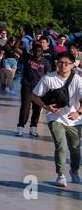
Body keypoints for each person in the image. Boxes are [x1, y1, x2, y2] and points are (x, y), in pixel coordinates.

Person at [30, 51, 82, 187]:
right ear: (56, 63)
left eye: (66, 63)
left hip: (74, 118)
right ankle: (61, 174)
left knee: (75, 148)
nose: (63, 65)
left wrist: (78, 112)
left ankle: (74, 171)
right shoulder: (48, 78)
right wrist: (46, 108)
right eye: (60, 62)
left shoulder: (78, 80)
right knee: (61, 145)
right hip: (55, 117)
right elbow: (34, 96)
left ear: (72, 65)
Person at [18, 38, 51, 137]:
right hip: (27, 86)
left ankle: (33, 127)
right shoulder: (27, 58)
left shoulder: (46, 62)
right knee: (25, 108)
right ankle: (20, 127)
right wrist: (20, 38)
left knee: (37, 108)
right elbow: (16, 49)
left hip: (39, 89)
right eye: (35, 51)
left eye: (39, 51)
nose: (37, 53)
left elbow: (48, 76)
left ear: (42, 52)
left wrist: (48, 89)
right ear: (32, 51)